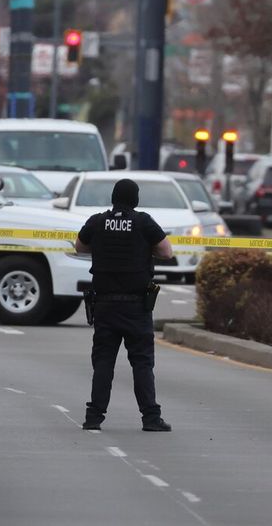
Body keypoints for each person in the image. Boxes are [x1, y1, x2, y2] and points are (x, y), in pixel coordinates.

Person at [74, 179, 174, 432]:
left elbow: (80, 245)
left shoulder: (97, 221)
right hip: (135, 307)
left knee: (104, 361)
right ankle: (150, 418)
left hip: (105, 305)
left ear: (114, 197)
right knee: (142, 362)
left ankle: (93, 416)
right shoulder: (143, 222)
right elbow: (166, 251)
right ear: (135, 199)